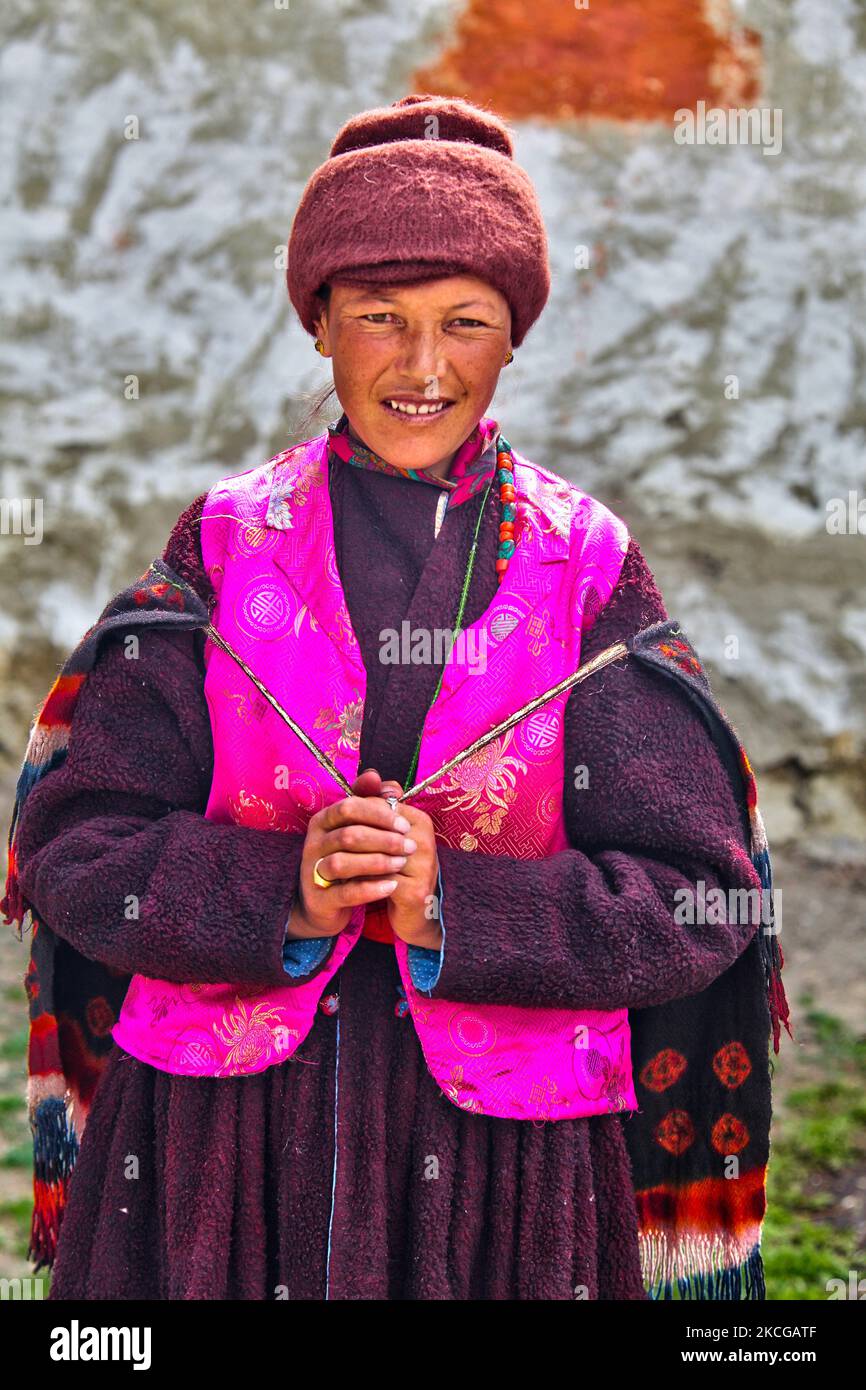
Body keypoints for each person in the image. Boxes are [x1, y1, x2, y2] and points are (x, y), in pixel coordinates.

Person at [2, 93, 790, 1301]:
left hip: (502, 1175)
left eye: (464, 323)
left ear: (511, 338)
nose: (422, 367)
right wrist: (282, 888)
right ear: (319, 324)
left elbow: (698, 900)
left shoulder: (581, 568)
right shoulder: (225, 547)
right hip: (219, 1157)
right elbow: (74, 844)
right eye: (378, 318)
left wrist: (450, 902)